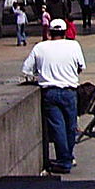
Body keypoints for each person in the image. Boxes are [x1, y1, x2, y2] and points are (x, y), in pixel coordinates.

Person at [21, 18, 86, 174]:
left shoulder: (40, 47)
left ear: (49, 32)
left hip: (49, 92)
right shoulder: (74, 45)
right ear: (64, 32)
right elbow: (81, 67)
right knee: (70, 127)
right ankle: (67, 158)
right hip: (69, 91)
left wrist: (40, 74)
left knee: (58, 127)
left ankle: (65, 159)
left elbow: (26, 70)